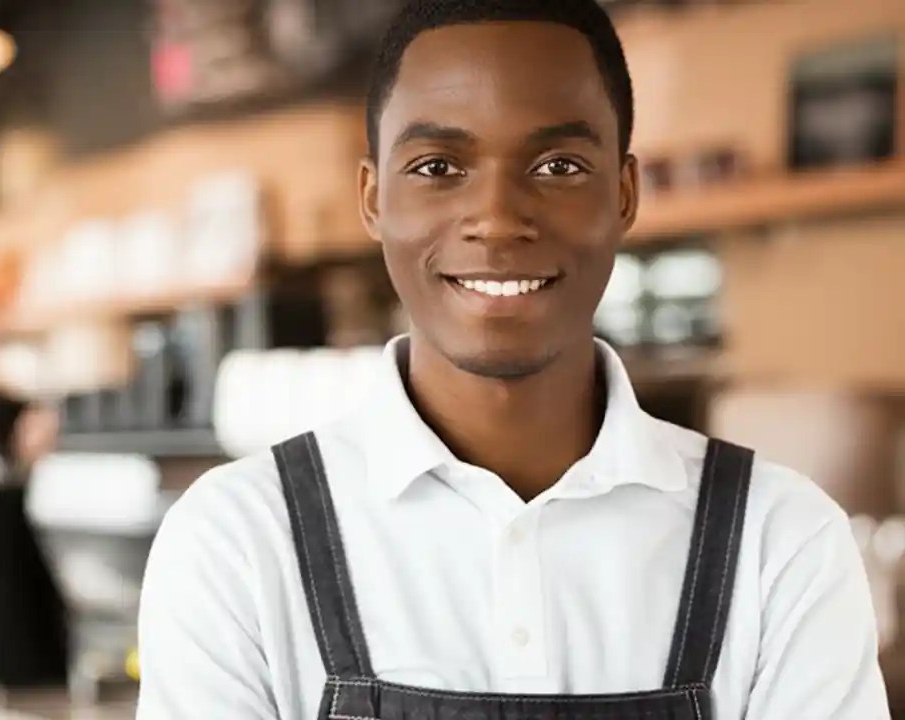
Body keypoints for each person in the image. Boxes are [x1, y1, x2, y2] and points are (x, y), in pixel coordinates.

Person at [135, 1, 890, 718]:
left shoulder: (780, 543)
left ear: (624, 193)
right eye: (437, 167)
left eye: (558, 166)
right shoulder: (237, 541)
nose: (496, 219)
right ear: (373, 198)